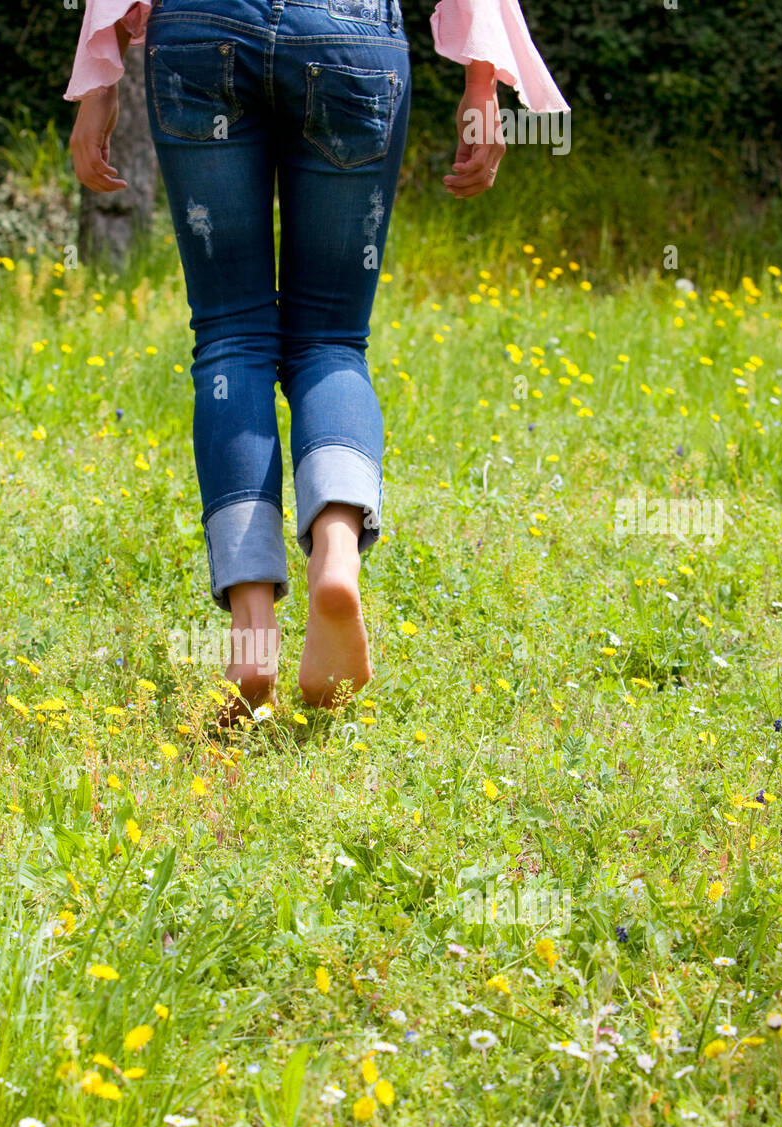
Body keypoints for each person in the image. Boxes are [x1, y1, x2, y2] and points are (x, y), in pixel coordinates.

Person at [67, 0, 567, 712]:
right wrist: (483, 86)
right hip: (348, 38)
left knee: (230, 335)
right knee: (330, 340)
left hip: (200, 37)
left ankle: (252, 633)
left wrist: (99, 80)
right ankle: (335, 555)